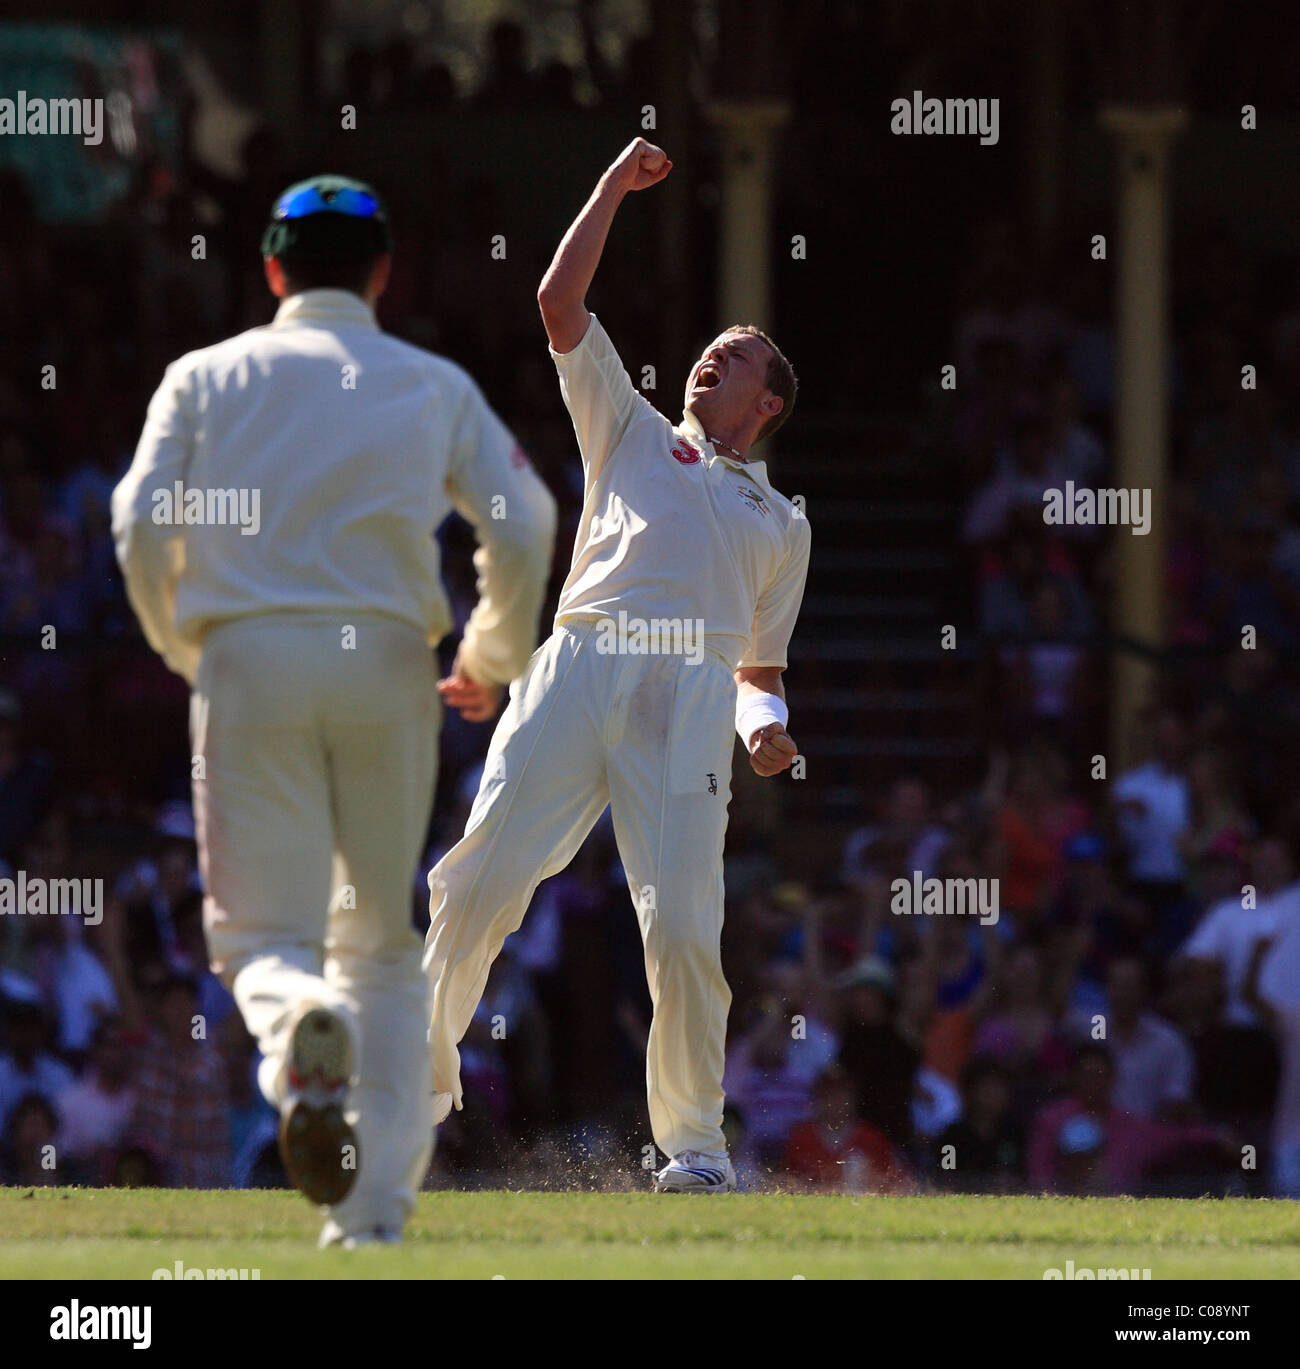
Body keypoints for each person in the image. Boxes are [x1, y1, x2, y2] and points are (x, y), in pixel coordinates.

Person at [111, 176, 557, 1244]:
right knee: (382, 946)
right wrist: (489, 656)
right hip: (389, 666)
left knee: (263, 935)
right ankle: (372, 1219)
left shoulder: (203, 377)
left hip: (248, 661)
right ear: (382, 272)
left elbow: (138, 521)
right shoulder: (430, 381)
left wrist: (186, 643)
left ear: (271, 270)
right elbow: (529, 518)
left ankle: (291, 1030)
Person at [424, 139, 810, 1193]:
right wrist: (610, 185)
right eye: (711, 347)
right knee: (475, 880)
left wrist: (764, 728)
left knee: (684, 928)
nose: (712, 358)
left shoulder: (780, 519)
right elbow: (557, 299)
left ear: (766, 402)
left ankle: (694, 1148)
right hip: (583, 660)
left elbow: (759, 667)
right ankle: (411, 1091)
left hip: (688, 698)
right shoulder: (631, 428)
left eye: (735, 357)